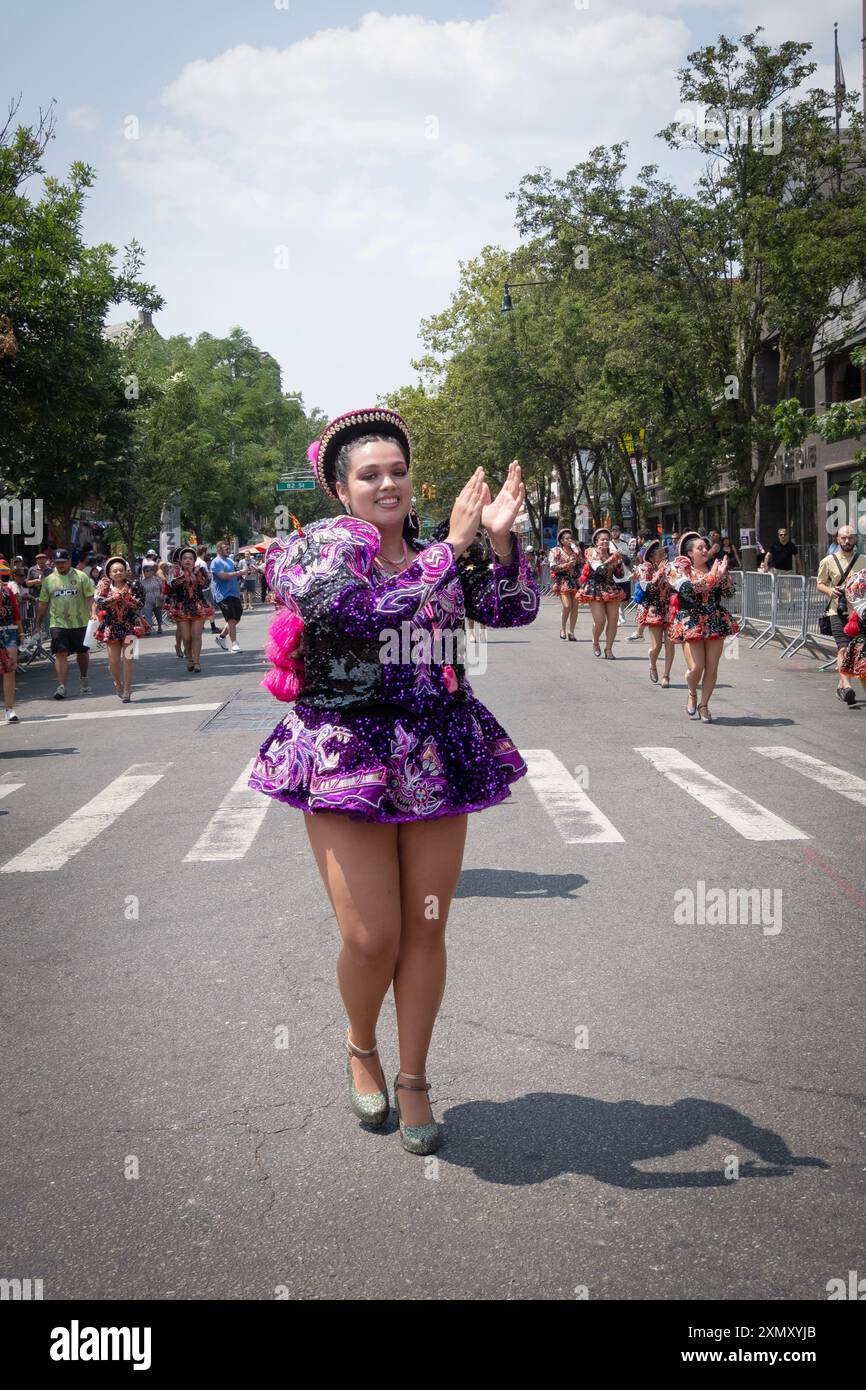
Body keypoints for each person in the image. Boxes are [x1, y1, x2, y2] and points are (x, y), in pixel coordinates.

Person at [249, 408, 539, 1155]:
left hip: (438, 751)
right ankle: (359, 1044)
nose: (387, 484)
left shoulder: (441, 548)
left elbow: (514, 609)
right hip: (347, 752)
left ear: (414, 479)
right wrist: (454, 547)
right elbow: (354, 614)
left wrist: (500, 541)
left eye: (397, 471)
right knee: (372, 935)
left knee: (428, 926)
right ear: (342, 489)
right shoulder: (317, 549)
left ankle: (414, 1079)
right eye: (370, 474)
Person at [666, 531, 740, 723]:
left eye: (706, 547)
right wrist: (715, 575)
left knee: (712, 667)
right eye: (700, 548)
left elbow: (730, 592)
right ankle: (692, 692)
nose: (705, 550)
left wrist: (723, 576)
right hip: (691, 620)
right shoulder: (677, 568)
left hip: (714, 619)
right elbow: (689, 589)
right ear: (690, 553)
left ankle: (704, 704)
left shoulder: (715, 568)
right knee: (696, 667)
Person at [815, 525, 866, 705]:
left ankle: (841, 685)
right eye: (843, 538)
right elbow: (819, 583)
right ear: (837, 539)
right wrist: (830, 591)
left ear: (856, 540)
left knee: (859, 650)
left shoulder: (864, 560)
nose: (847, 541)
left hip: (860, 614)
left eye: (850, 538)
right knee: (843, 648)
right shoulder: (828, 561)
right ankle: (846, 686)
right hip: (837, 611)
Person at [35, 549, 95, 700]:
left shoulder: (81, 576)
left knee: (82, 653)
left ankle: (83, 677)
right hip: (58, 623)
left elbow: (90, 598)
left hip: (80, 622)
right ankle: (61, 686)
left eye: (63, 562)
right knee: (60, 653)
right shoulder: (48, 581)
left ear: (69, 561)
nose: (60, 565)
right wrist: (38, 623)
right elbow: (43, 603)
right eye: (57, 563)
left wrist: (93, 613)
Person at [92, 557, 150, 701]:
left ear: (126, 572)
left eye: (121, 570)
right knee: (113, 663)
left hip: (131, 626)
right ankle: (118, 684)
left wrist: (126, 598)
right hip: (111, 626)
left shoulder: (135, 585)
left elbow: (139, 604)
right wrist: (115, 597)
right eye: (115, 571)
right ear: (109, 573)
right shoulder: (104, 586)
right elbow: (100, 604)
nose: (118, 573)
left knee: (129, 659)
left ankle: (127, 690)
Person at [577, 526, 628, 657]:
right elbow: (599, 569)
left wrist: (619, 563)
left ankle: (609, 648)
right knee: (600, 620)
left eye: (607, 539)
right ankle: (595, 641)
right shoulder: (591, 552)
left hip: (610, 587)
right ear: (596, 541)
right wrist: (612, 559)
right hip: (595, 588)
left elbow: (620, 575)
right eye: (602, 540)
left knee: (613, 619)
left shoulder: (612, 553)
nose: (605, 542)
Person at [165, 546, 214, 672]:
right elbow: (172, 584)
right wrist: (187, 574)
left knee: (196, 635)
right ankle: (189, 659)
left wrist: (196, 574)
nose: (188, 561)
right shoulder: (175, 571)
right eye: (185, 558)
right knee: (186, 637)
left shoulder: (201, 570)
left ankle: (197, 662)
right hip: (181, 607)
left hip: (198, 606)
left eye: (190, 558)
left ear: (194, 560)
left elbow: (206, 584)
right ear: (180, 560)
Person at [634, 539, 675, 686]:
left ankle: (666, 675)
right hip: (654, 609)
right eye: (659, 554)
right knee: (656, 646)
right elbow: (648, 588)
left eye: (664, 553)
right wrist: (660, 573)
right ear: (651, 557)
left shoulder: (671, 567)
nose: (664, 556)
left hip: (669, 608)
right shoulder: (645, 569)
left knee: (670, 643)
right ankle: (652, 663)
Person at [549, 526, 582, 641]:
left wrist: (578, 554)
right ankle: (562, 628)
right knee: (567, 606)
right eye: (567, 539)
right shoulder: (555, 551)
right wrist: (565, 566)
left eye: (570, 538)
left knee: (575, 608)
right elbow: (553, 566)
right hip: (562, 581)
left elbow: (582, 563)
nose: (570, 540)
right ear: (562, 540)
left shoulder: (575, 551)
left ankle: (571, 631)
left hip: (574, 580)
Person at [0, 559, 24, 722]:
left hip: (8, 632)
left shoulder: (7, 590)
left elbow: (16, 614)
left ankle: (9, 709)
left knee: (10, 671)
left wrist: (21, 634)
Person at [211, 541, 243, 652]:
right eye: (226, 549)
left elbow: (235, 574)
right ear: (219, 550)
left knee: (236, 618)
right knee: (231, 619)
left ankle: (221, 638)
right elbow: (223, 576)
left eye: (229, 549)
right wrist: (239, 573)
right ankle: (234, 643)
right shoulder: (216, 562)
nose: (229, 551)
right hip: (223, 595)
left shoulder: (229, 560)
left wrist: (243, 573)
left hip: (234, 593)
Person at [838, 570, 866, 698]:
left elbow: (851, 612)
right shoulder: (856, 578)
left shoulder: (854, 578)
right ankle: (845, 684)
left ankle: (844, 684)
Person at [195, 546, 220, 633]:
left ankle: (201, 626)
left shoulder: (196, 561)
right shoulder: (202, 563)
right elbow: (206, 577)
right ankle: (213, 627)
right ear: (204, 552)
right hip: (205, 589)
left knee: (202, 608)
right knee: (210, 608)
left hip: (198, 589)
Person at [140, 560, 167, 634]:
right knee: (147, 615)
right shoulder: (142, 582)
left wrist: (162, 594)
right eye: (145, 571)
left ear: (152, 572)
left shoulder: (157, 579)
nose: (147, 572)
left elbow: (162, 588)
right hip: (147, 600)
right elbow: (141, 592)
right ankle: (148, 629)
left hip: (157, 599)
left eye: (149, 571)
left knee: (158, 614)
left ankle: (159, 626)